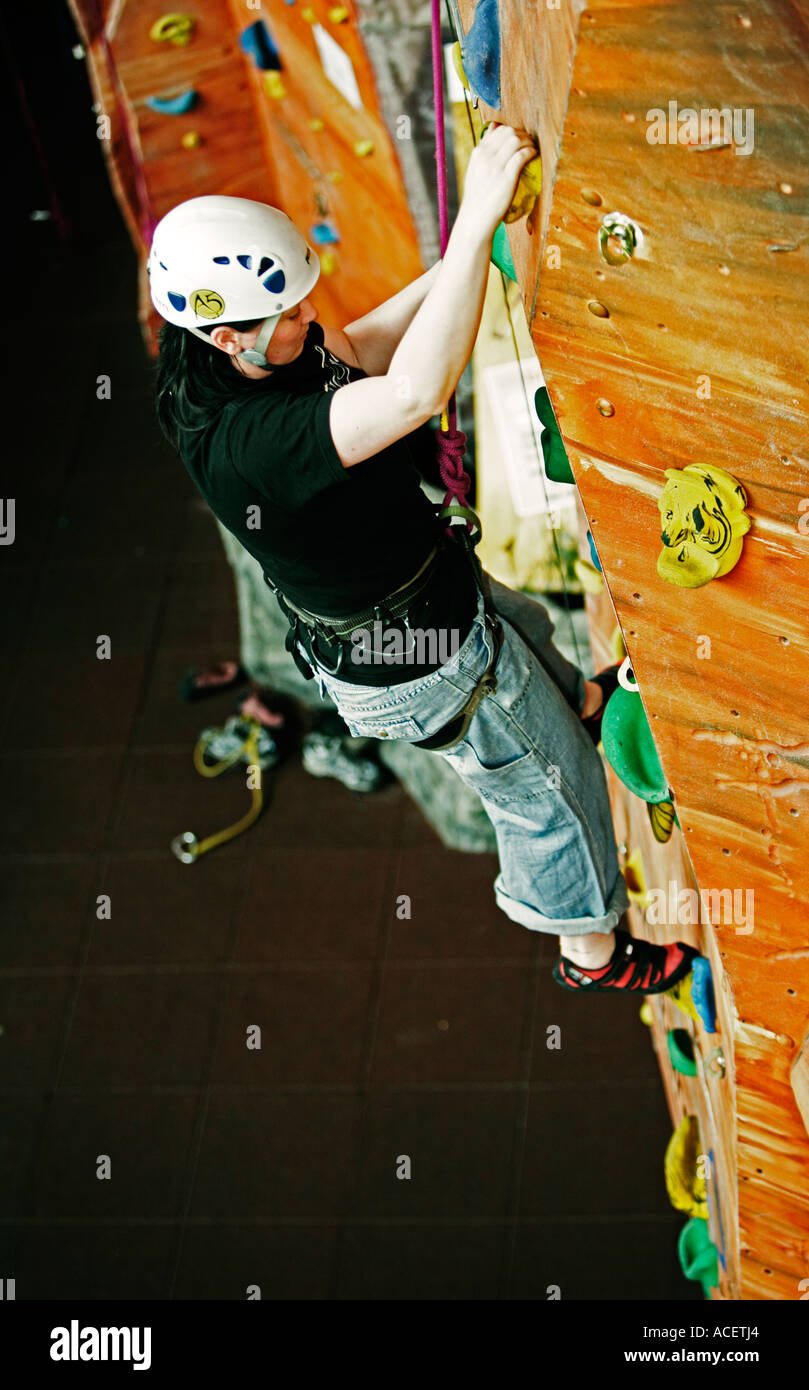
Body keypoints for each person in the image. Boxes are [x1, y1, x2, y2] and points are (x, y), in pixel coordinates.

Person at [150, 123, 697, 994]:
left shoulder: (230, 357)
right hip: (415, 657)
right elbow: (411, 392)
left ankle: (585, 703)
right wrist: (474, 223)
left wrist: (458, 269)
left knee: (528, 630)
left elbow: (356, 355)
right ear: (229, 336)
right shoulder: (244, 443)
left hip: (422, 593)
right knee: (547, 791)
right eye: (287, 315)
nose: (307, 319)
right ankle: (590, 953)